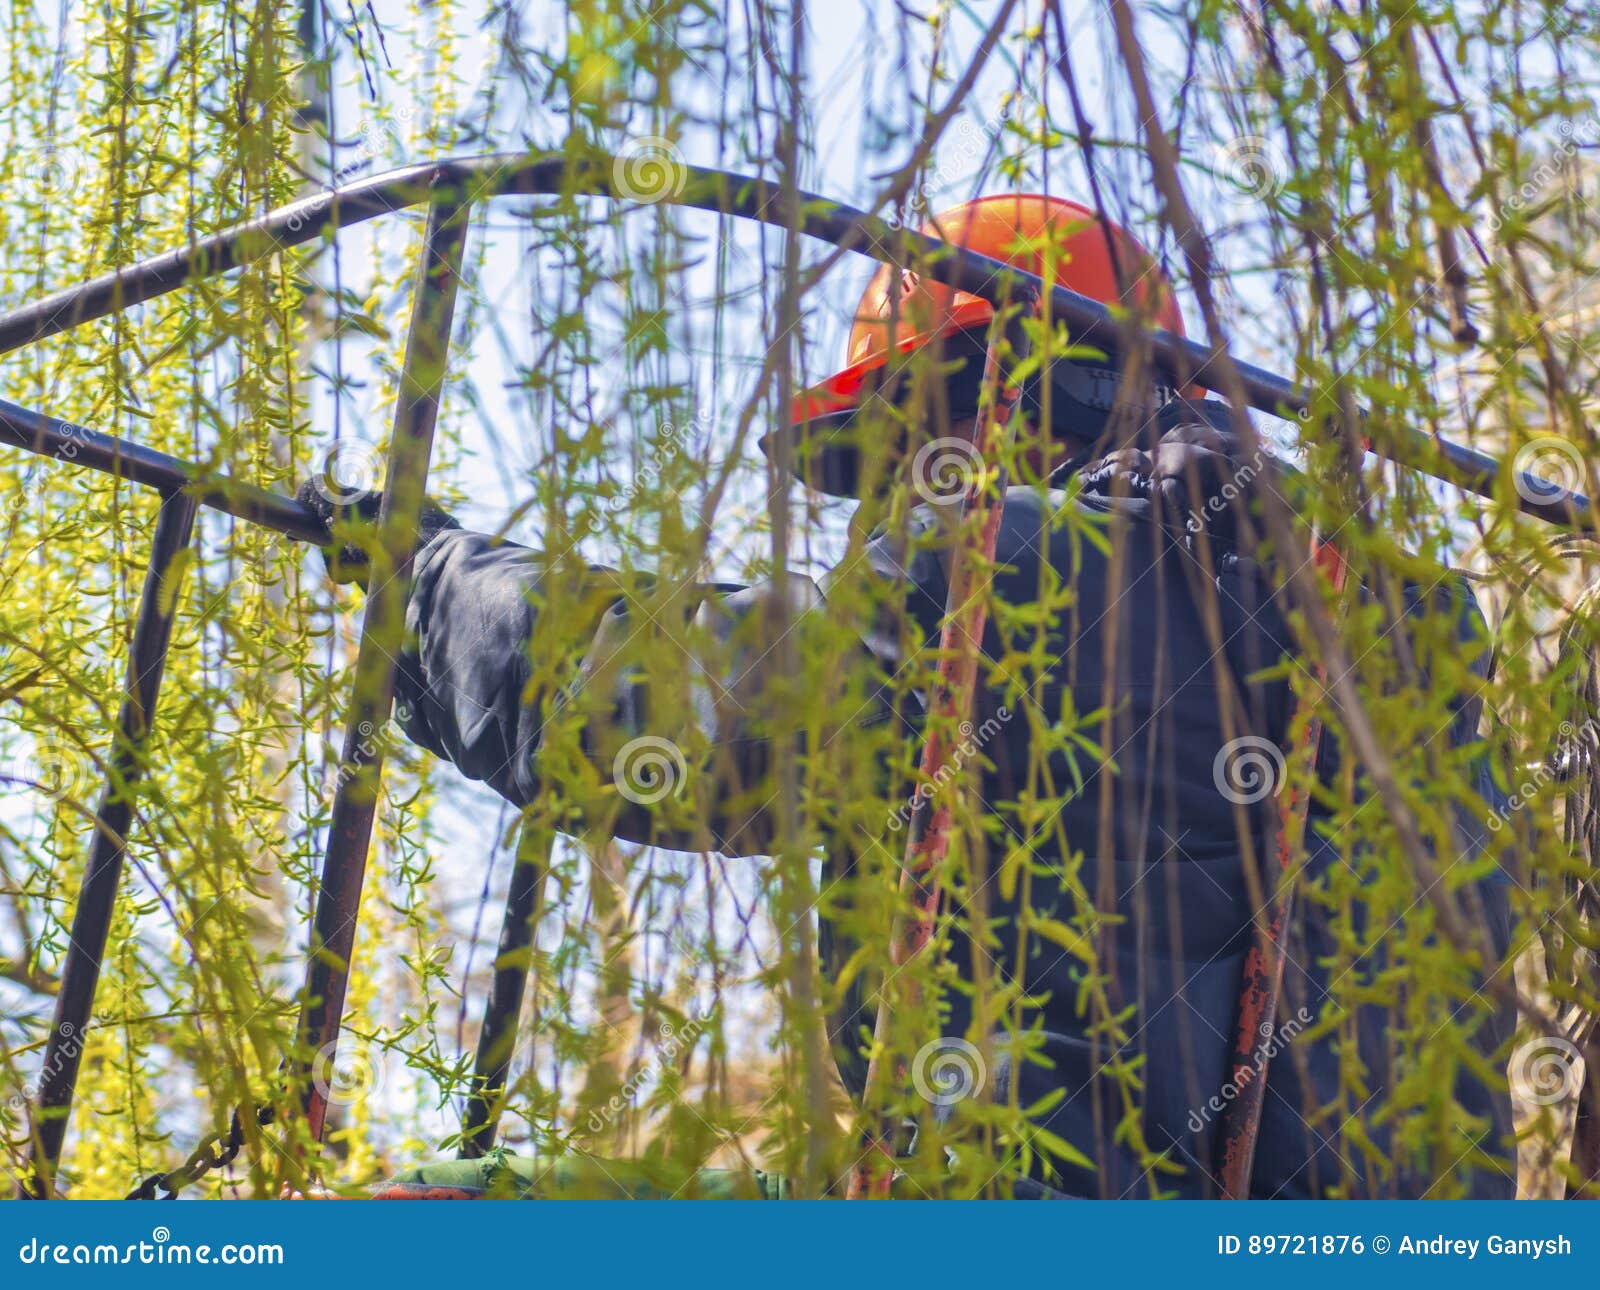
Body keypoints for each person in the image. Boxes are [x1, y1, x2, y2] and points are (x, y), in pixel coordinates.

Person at [299, 195, 1515, 1198]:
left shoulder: (1011, 571)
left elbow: (708, 708)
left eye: (896, 441)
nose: (885, 498)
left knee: (441, 1212)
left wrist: (433, 581)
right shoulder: (1408, 637)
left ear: (1004, 391)